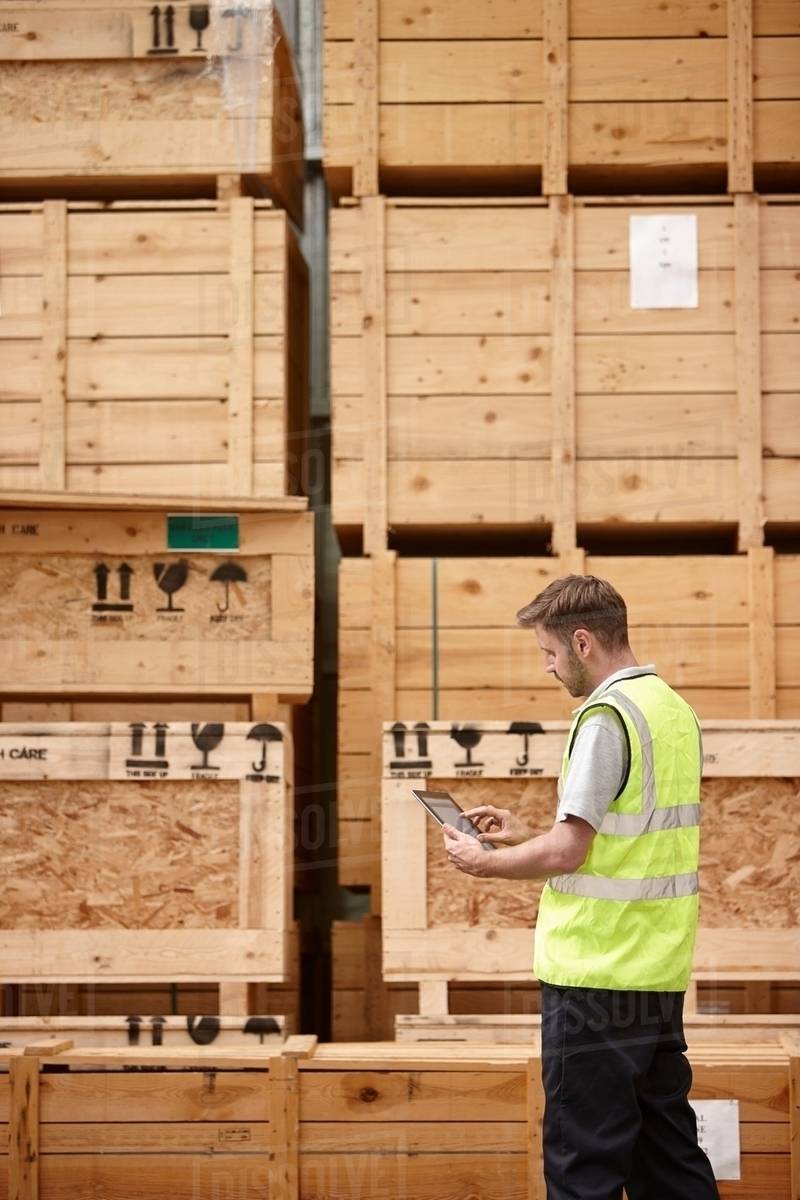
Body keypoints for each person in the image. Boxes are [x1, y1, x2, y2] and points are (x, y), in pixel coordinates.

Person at [442, 574, 720, 1200]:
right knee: (667, 1159)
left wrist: (483, 863)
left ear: (583, 642)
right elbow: (627, 838)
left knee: (582, 1168)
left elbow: (570, 851)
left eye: (549, 651)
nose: (547, 666)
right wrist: (525, 834)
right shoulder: (671, 709)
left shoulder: (606, 717)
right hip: (654, 973)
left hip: (595, 978)